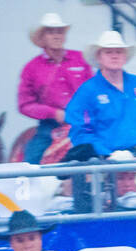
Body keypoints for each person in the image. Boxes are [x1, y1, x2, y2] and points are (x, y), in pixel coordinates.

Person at [64, 30, 136, 213]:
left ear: (125, 56)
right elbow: (80, 130)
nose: (114, 55)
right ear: (99, 57)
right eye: (108, 51)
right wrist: (106, 155)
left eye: (119, 51)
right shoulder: (87, 91)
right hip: (107, 162)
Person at [18, 13, 92, 164]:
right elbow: (25, 105)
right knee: (31, 162)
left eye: (60, 31)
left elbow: (94, 91)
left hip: (83, 124)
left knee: (103, 154)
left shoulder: (81, 59)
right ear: (42, 37)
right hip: (50, 127)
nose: (57, 35)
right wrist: (54, 113)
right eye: (51, 32)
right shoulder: (32, 68)